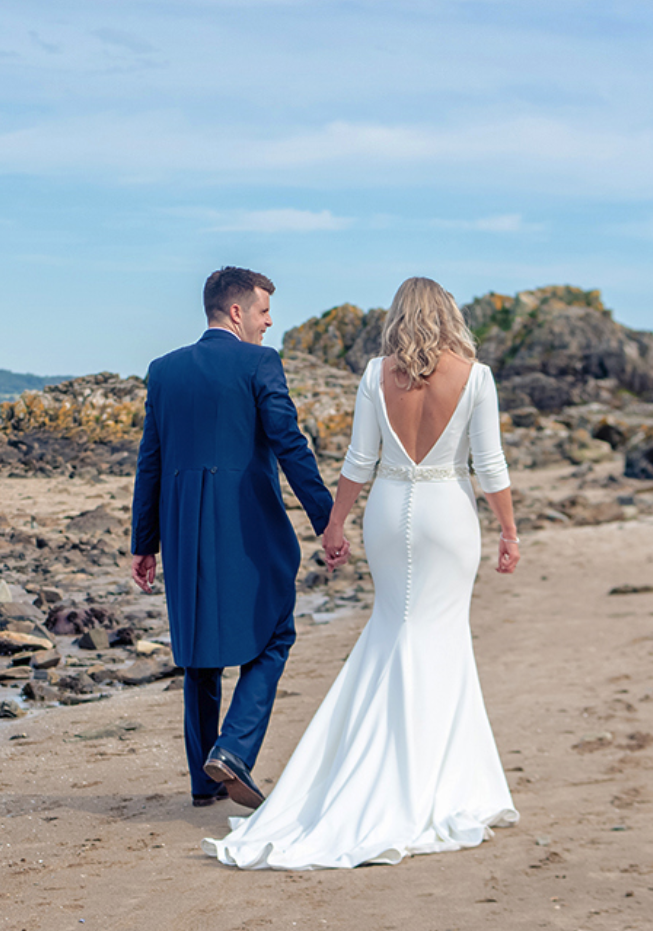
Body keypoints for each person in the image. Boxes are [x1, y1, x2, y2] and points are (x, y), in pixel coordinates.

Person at [203, 276, 521, 870]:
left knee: (393, 630)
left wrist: (335, 523)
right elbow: (490, 464)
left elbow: (359, 461)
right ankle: (438, 781)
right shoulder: (474, 376)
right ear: (448, 315)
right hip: (447, 518)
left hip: (388, 512)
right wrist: (508, 530)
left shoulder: (377, 374)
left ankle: (373, 769)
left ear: (399, 316)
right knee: (440, 638)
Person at [130, 267, 335, 809]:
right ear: (238, 311)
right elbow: (290, 443)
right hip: (247, 525)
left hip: (181, 529)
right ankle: (234, 748)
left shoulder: (164, 371)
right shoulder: (259, 362)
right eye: (264, 311)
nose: (270, 322)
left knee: (200, 656)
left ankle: (205, 784)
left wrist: (143, 541)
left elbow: (150, 460)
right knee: (275, 634)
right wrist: (327, 519)